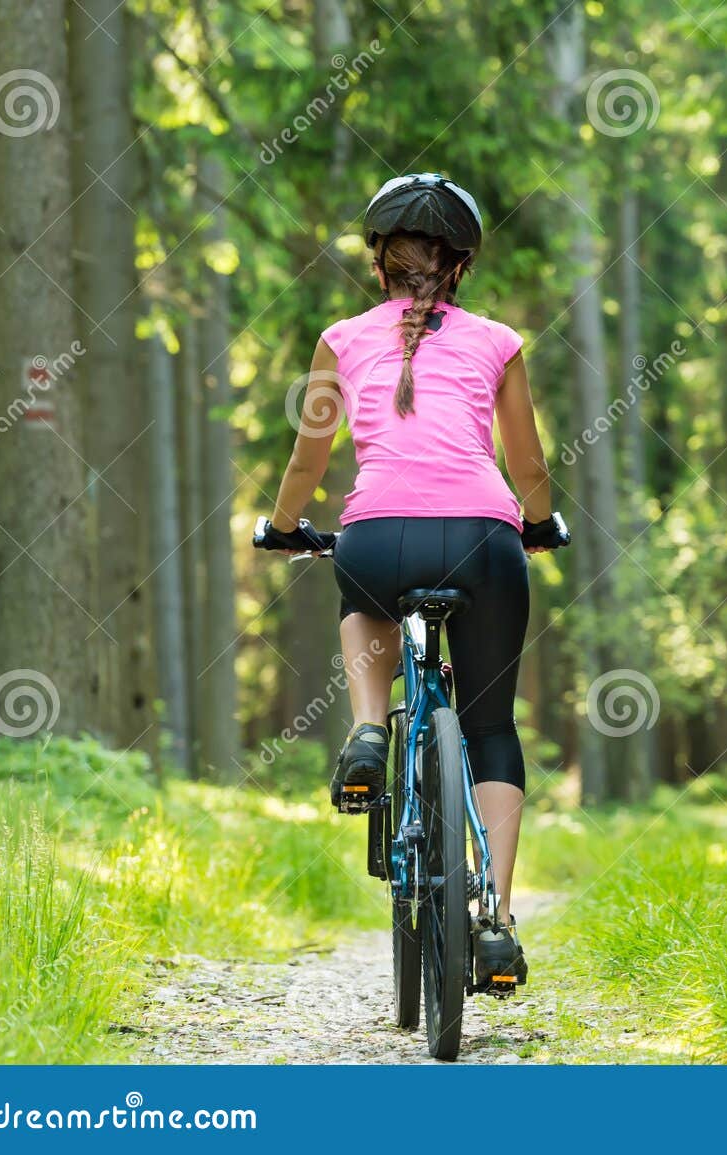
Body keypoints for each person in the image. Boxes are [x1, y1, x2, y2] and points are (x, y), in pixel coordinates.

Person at [261, 172, 568, 979]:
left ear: (377, 263)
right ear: (459, 267)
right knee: (492, 725)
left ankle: (369, 727)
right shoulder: (497, 340)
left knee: (361, 601)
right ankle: (497, 923)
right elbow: (526, 462)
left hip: (377, 536)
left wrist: (284, 526)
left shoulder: (341, 339)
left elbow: (309, 456)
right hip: (483, 538)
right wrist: (538, 523)